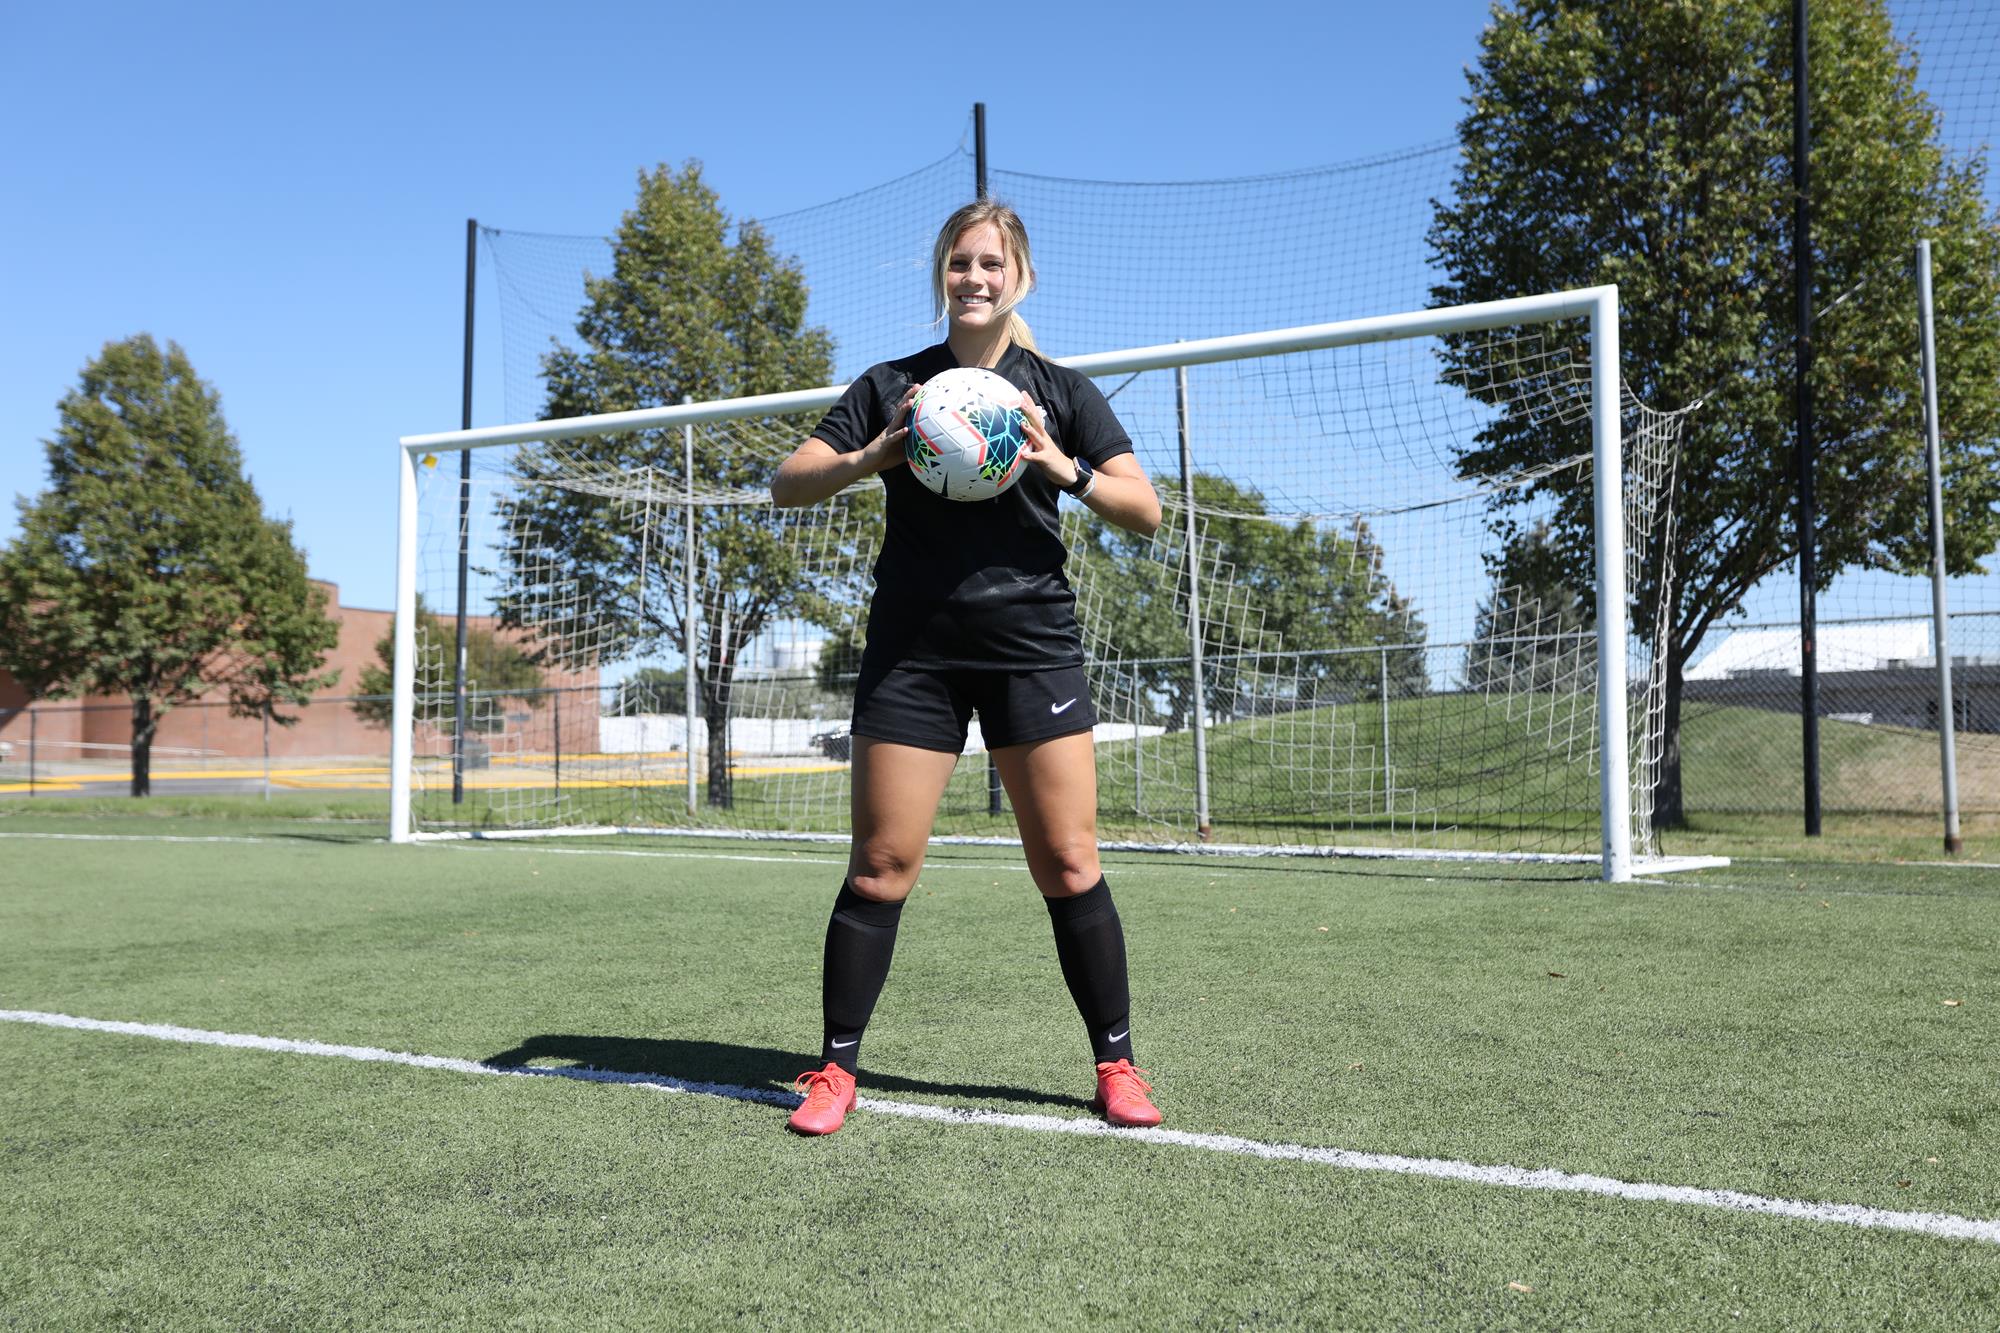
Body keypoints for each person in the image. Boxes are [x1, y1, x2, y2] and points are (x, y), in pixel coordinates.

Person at [769, 200, 1165, 1136]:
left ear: (1018, 276)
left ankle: (1117, 1063)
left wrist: (1056, 463)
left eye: (992, 264)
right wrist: (874, 454)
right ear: (942, 276)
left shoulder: (1058, 390)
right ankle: (836, 1069)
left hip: (1033, 645)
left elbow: (1143, 509)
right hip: (914, 651)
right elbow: (787, 483)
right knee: (880, 865)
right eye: (960, 263)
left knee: (1069, 861)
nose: (976, 278)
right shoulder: (893, 385)